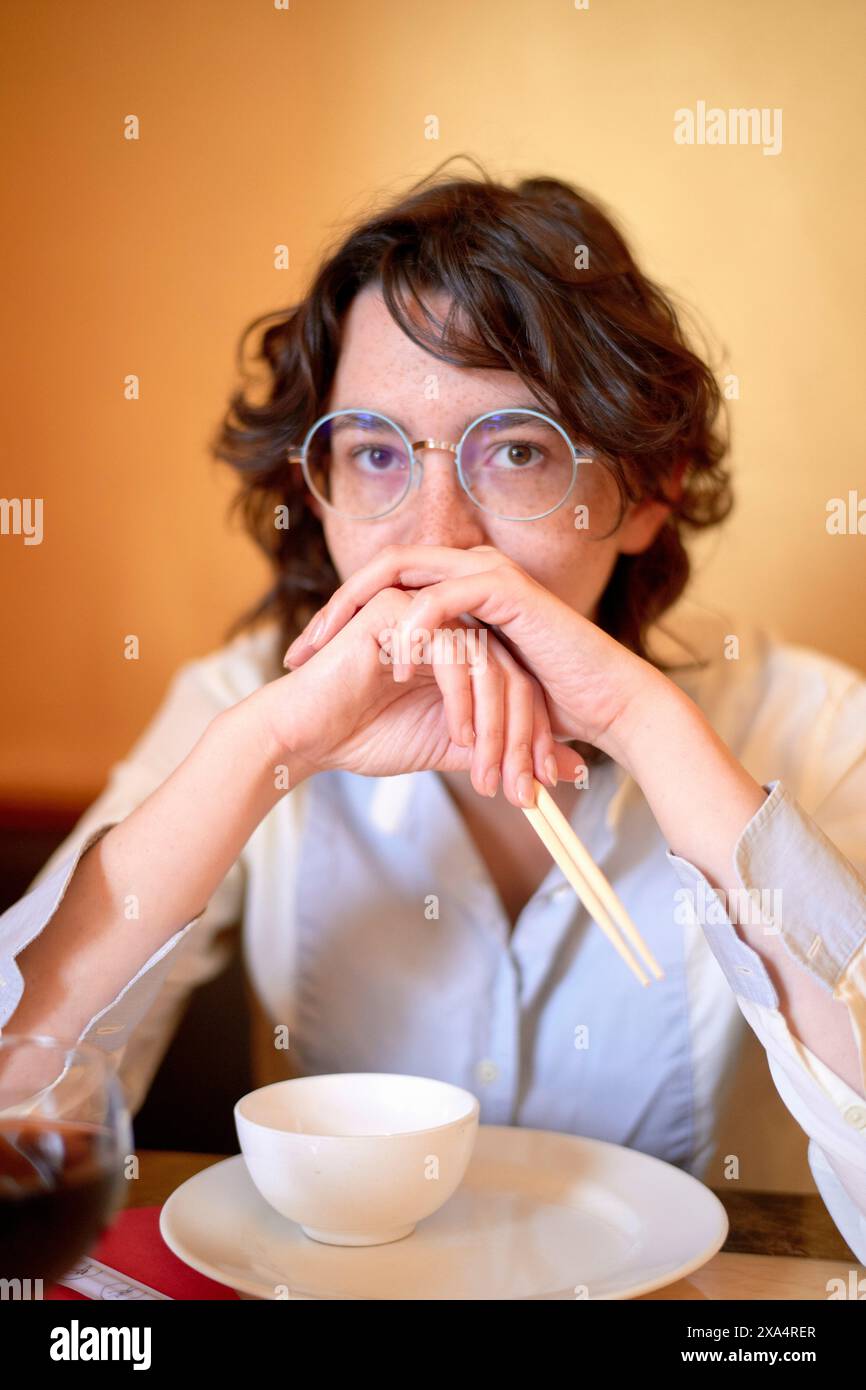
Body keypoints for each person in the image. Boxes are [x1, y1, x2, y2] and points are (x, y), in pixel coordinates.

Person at [2, 162, 864, 1262]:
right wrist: (269, 748)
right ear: (318, 489)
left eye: (513, 449)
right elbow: (20, 1113)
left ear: (647, 489)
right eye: (373, 453)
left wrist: (643, 725)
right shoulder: (244, 704)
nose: (435, 537)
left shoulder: (815, 727)